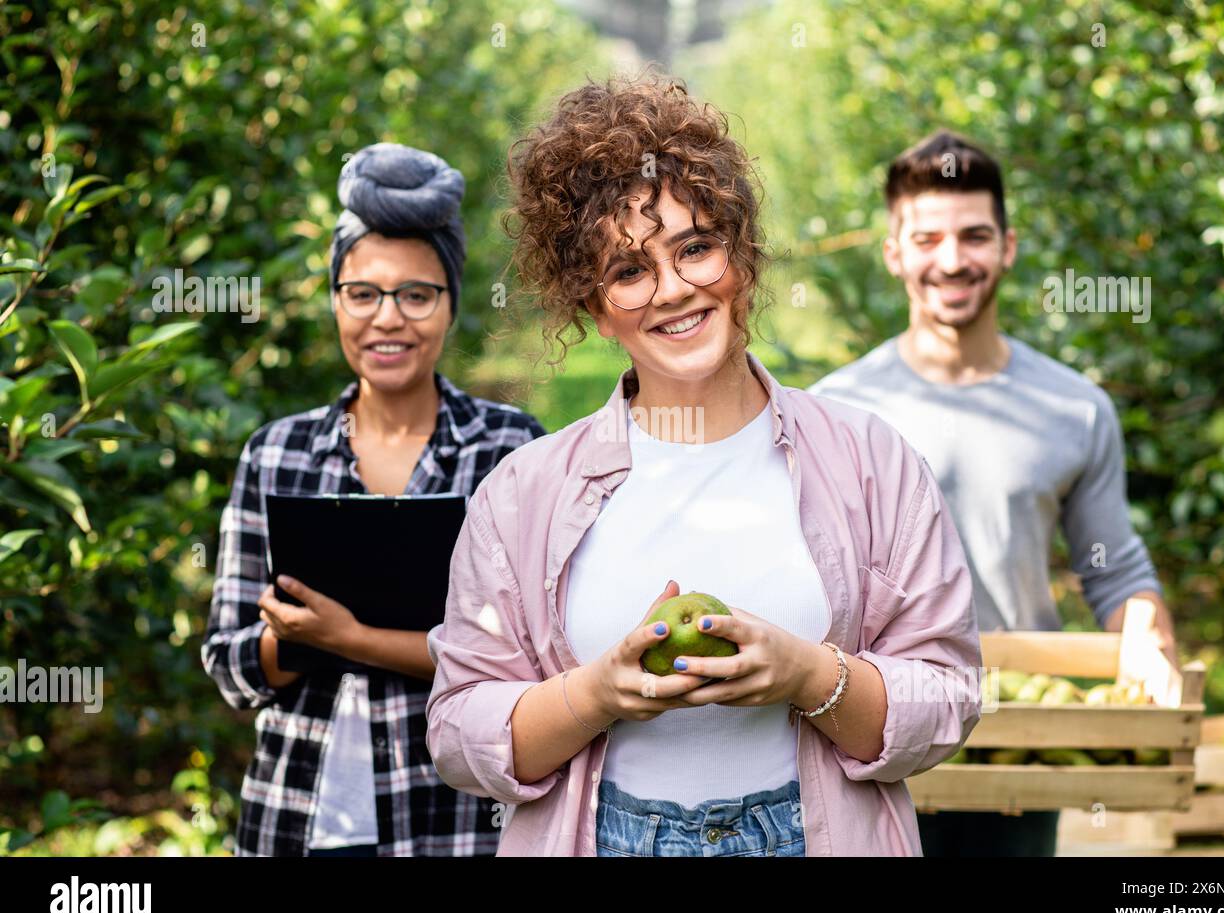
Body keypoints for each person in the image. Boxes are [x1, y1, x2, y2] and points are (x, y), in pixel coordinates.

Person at [424, 76, 981, 857]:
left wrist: (810, 677)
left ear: (741, 253)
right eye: (629, 271)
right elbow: (456, 730)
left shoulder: (872, 462)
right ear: (593, 305)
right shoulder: (522, 496)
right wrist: (595, 694)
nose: (674, 289)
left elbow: (949, 696)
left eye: (695, 248)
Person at [809, 130, 1178, 856]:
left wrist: (1148, 635)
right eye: (928, 238)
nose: (952, 260)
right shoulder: (835, 410)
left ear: (1007, 246)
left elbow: (1117, 572)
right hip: (863, 744)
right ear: (894, 253)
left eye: (974, 236)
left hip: (1018, 747)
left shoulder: (1073, 409)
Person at [202, 143, 546, 857]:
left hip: (450, 823)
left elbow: (532, 663)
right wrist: (287, 636)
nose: (387, 319)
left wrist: (346, 638)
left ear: (451, 304)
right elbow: (230, 667)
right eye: (362, 293)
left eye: (416, 294)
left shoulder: (510, 452)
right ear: (336, 301)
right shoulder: (278, 454)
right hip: (295, 816)